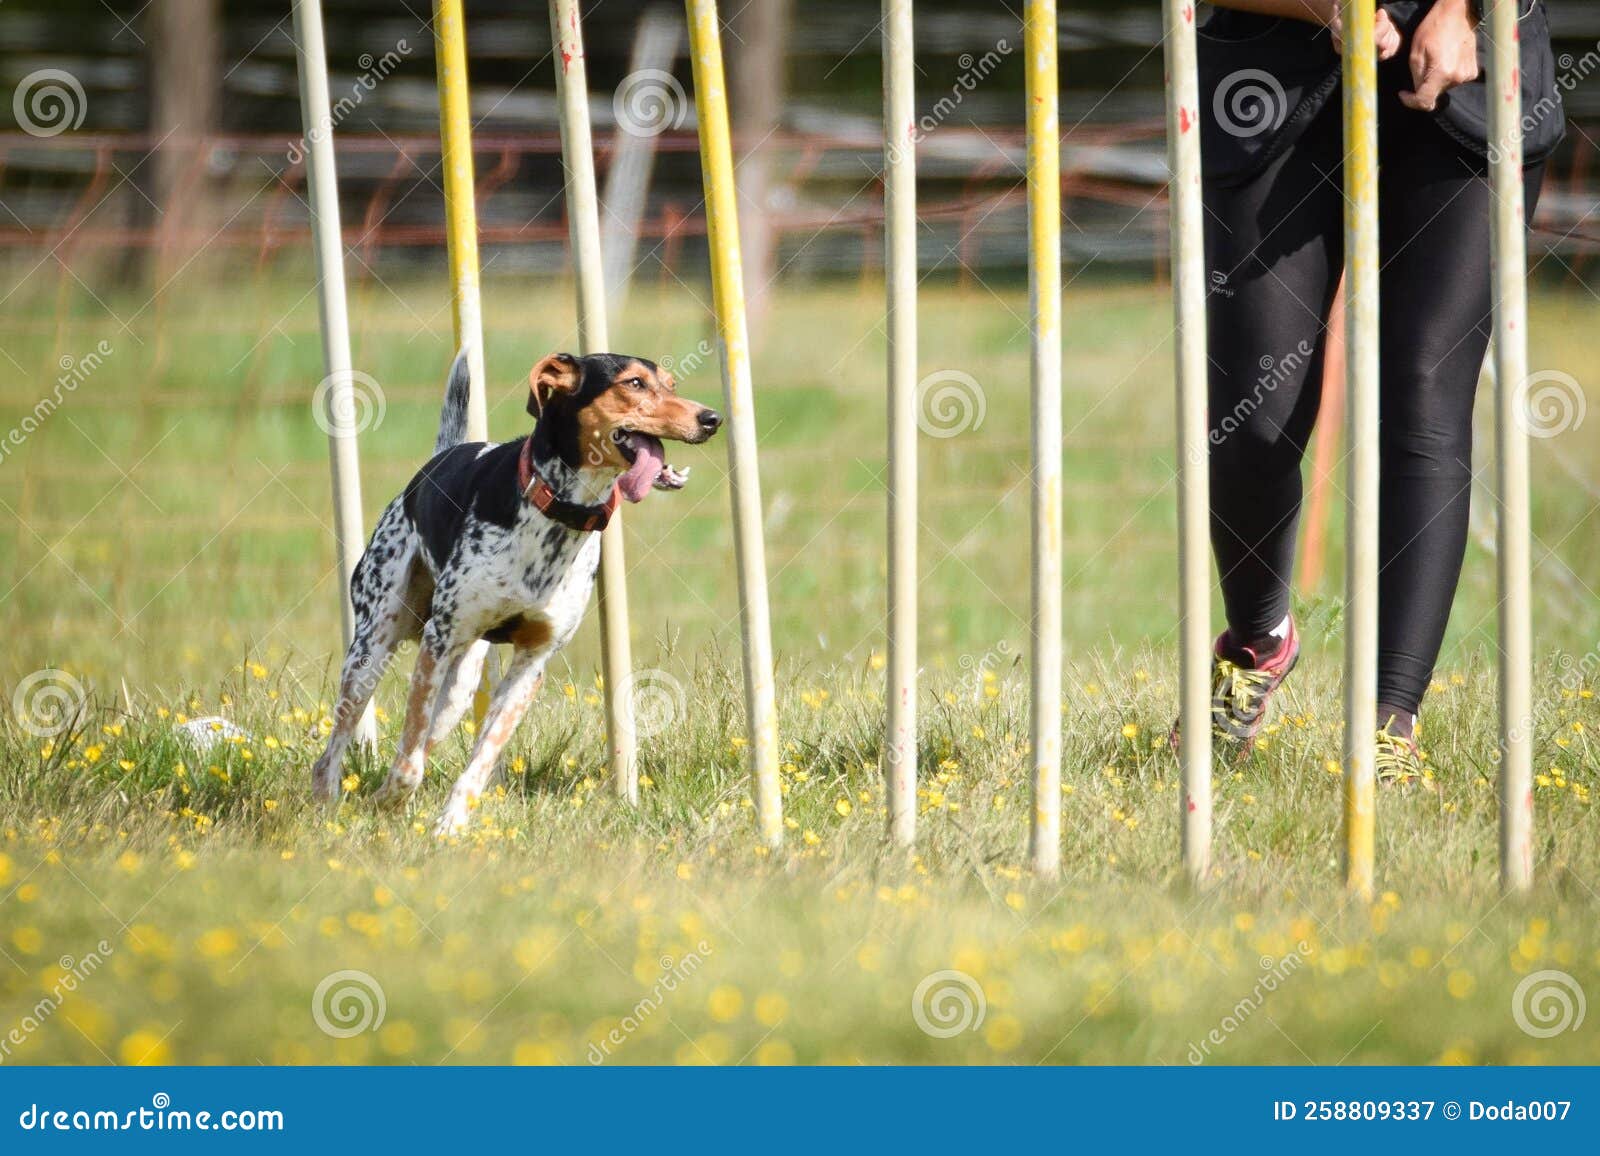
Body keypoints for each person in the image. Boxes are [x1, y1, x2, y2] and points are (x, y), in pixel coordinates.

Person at [1183, 0, 1564, 779]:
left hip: (1468, 61)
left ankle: (1391, 719)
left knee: (1425, 392)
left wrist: (1459, 12)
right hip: (1273, 68)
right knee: (1256, 417)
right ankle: (1259, 641)